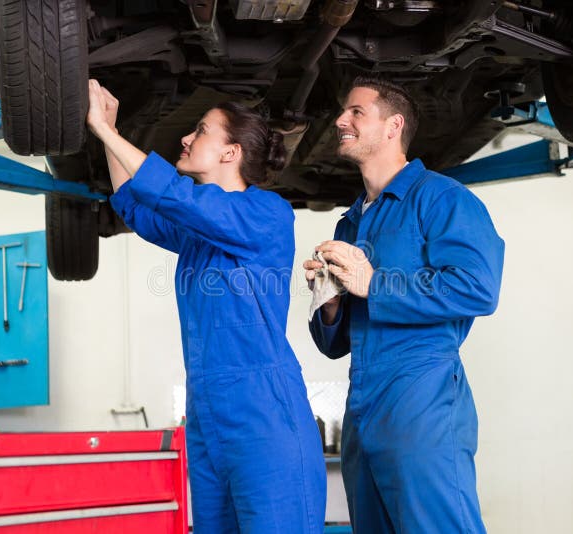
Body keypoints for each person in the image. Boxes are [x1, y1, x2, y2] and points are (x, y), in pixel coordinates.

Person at [86, 79, 326, 533]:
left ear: (230, 152)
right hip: (207, 415)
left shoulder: (267, 212)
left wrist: (104, 130)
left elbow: (176, 196)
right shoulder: (199, 234)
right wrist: (110, 133)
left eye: (200, 131)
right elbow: (138, 209)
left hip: (264, 414)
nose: (185, 137)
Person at [304, 77, 504, 533]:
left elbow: (478, 288)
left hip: (421, 401)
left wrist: (373, 283)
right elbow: (336, 344)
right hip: (362, 406)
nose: (340, 120)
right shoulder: (350, 222)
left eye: (356, 112)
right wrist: (330, 303)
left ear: (393, 126)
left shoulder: (442, 198)